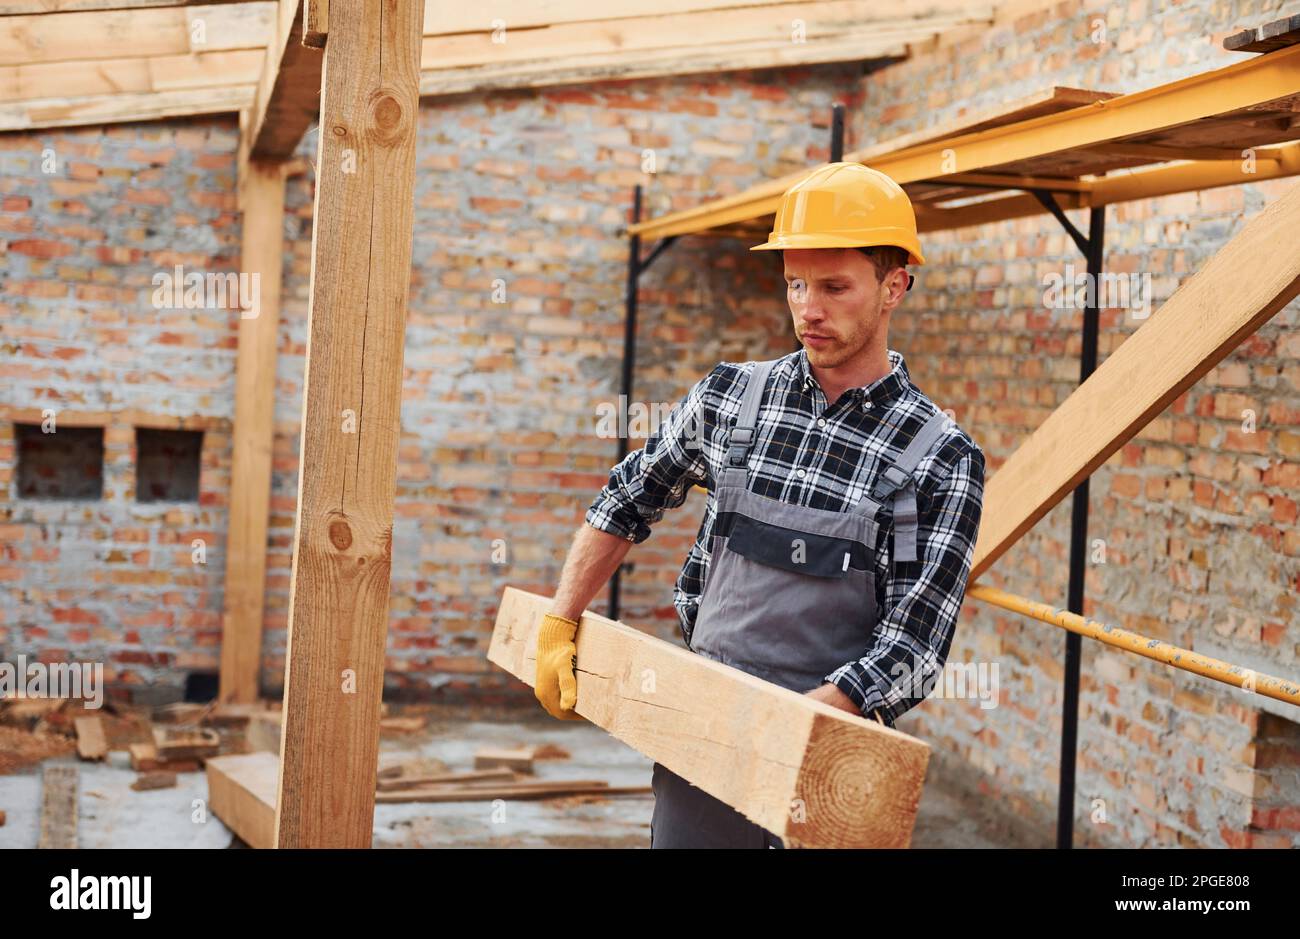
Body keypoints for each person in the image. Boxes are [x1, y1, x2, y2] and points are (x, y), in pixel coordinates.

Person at [534, 162, 986, 848]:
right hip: (702, 741)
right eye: (796, 284)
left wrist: (783, 734)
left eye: (835, 286)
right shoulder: (729, 398)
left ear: (895, 286)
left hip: (829, 764)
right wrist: (560, 618)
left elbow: (914, 644)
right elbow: (627, 499)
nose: (809, 307)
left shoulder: (940, 456)